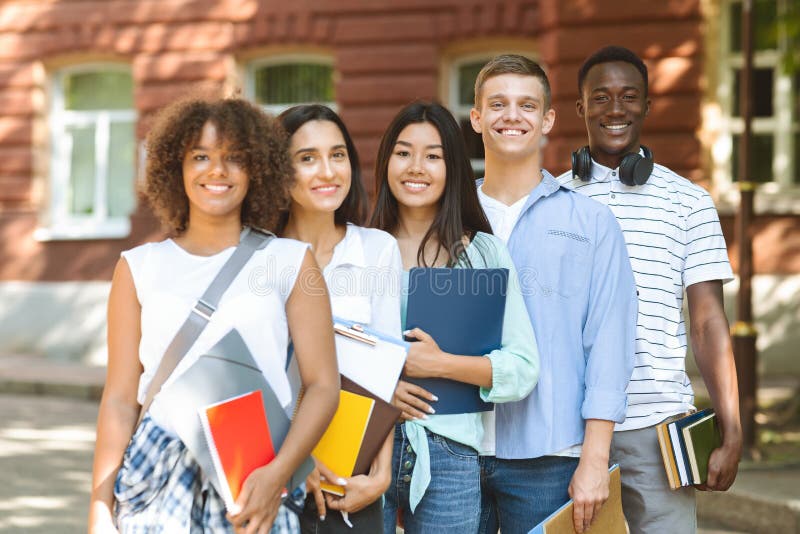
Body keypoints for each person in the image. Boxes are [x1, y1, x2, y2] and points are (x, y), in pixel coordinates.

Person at [88, 97, 340, 534]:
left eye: (233, 159)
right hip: (156, 479)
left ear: (257, 169)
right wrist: (99, 508)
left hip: (254, 480)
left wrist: (279, 473)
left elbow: (322, 386)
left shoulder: (291, 260)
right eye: (200, 156)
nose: (216, 171)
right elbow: (119, 400)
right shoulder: (138, 266)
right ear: (175, 168)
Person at [558, 45, 742, 533]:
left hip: (658, 427)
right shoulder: (552, 201)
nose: (615, 109)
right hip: (567, 433)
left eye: (628, 97)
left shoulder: (689, 202)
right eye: (600, 97)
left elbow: (707, 323)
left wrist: (733, 427)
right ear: (580, 108)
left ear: (646, 106)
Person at [469, 54, 638, 534]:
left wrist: (594, 460)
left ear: (547, 120)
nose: (511, 116)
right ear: (477, 117)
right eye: (497, 104)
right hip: (455, 450)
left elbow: (608, 342)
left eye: (527, 105)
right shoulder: (452, 217)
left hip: (552, 457)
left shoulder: (591, 223)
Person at [370, 100, 540, 534]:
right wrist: (382, 385)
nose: (416, 167)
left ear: (453, 167)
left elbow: (522, 369)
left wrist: (438, 364)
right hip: (366, 439)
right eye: (403, 152)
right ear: (386, 160)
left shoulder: (482, 253)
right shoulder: (360, 249)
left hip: (451, 454)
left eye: (433, 156)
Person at [276, 104, 402, 533]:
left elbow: (385, 373)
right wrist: (294, 462)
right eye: (307, 158)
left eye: (338, 154)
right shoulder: (258, 255)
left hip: (352, 473)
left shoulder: (377, 250)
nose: (327, 171)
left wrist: (381, 474)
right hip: (272, 470)